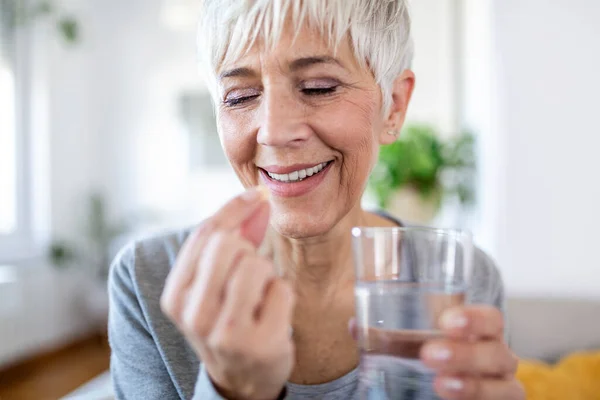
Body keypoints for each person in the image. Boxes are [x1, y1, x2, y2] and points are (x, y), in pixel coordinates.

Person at [108, 1, 524, 399]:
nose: (273, 130)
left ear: (393, 107)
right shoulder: (149, 279)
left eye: (318, 87)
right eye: (239, 96)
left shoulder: (458, 279)